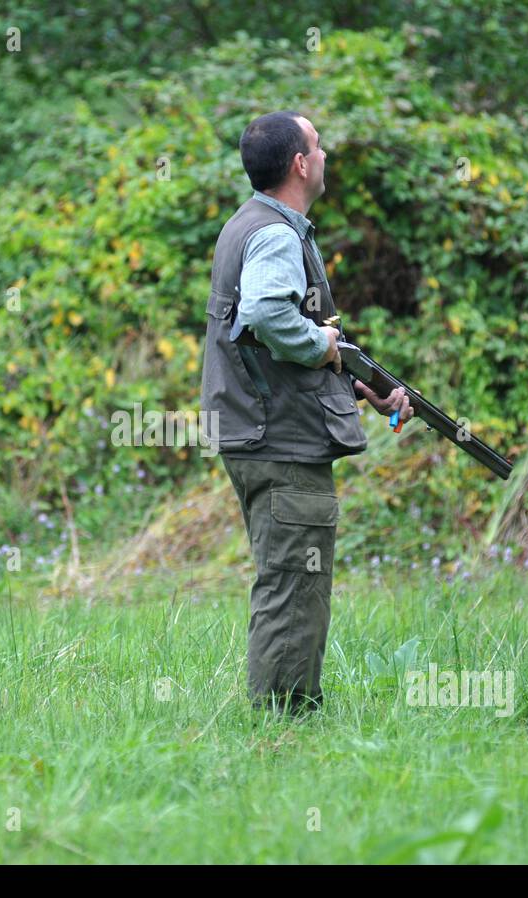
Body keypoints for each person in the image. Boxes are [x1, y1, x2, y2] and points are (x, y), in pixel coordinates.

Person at [200, 109, 413, 716]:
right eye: (318, 147)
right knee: (295, 582)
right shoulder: (275, 234)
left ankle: (283, 711)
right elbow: (270, 316)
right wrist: (325, 345)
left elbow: (266, 343)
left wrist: (353, 384)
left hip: (262, 430)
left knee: (287, 575)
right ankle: (284, 721)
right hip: (280, 440)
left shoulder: (250, 223)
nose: (324, 156)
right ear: (299, 163)